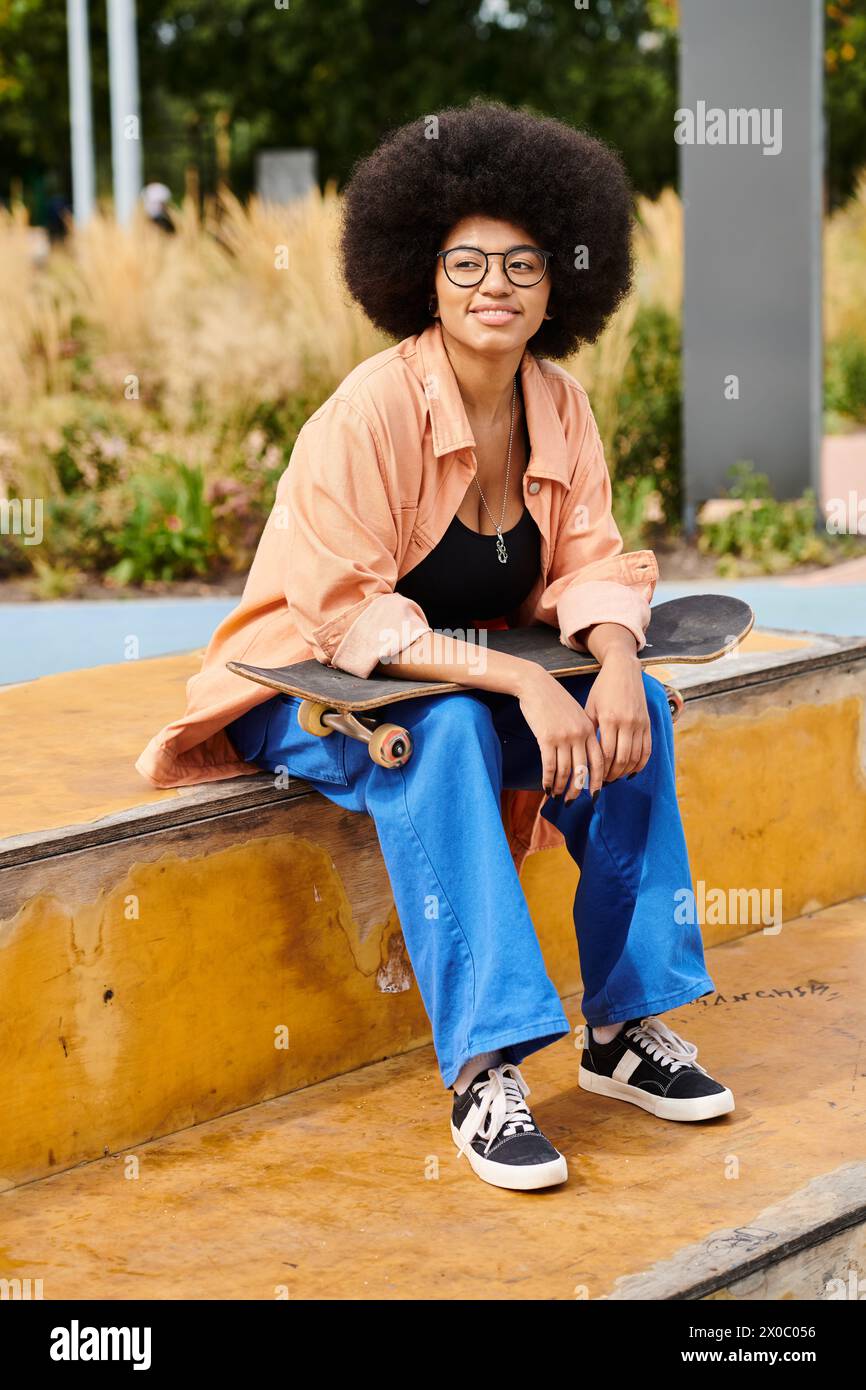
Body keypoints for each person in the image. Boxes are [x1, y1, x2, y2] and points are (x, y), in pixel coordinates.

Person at [135, 100, 733, 1193]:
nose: (493, 287)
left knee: (638, 709)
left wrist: (606, 665)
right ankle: (484, 1067)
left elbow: (592, 563)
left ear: (559, 283)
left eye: (520, 263)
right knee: (448, 726)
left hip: (458, 673)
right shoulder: (366, 414)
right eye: (466, 265)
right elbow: (343, 616)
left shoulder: (558, 405)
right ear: (421, 277)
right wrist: (515, 676)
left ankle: (620, 1026)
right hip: (310, 685)